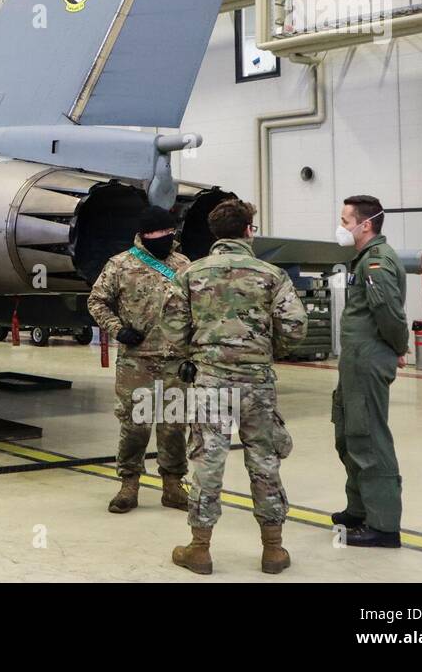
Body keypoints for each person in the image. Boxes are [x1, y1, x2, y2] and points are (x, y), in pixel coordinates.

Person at [162, 199, 307, 575]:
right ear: (248, 231)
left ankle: (200, 549)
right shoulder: (271, 274)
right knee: (264, 460)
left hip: (210, 382)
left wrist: (195, 352)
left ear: (214, 234)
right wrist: (265, 350)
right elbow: (294, 326)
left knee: (208, 461)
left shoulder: (191, 274)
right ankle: (273, 550)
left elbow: (172, 327)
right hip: (257, 383)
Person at [87, 205, 192, 514]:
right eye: (156, 233)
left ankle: (173, 484)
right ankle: (129, 483)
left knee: (174, 425)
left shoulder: (185, 266)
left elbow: (196, 312)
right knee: (135, 424)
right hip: (137, 361)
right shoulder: (120, 265)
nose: (163, 238)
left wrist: (194, 354)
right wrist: (118, 330)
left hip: (175, 360)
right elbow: (96, 301)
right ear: (144, 235)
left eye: (168, 232)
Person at [331, 194, 406, 548]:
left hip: (368, 360)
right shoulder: (362, 260)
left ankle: (384, 525)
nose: (341, 227)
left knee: (369, 438)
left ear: (366, 224)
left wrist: (399, 348)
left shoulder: (376, 263)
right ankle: (359, 509)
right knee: (349, 434)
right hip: (356, 360)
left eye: (346, 221)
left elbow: (389, 313)